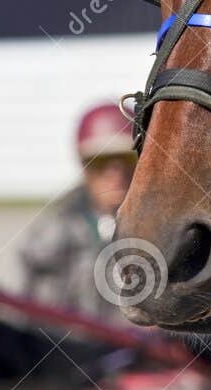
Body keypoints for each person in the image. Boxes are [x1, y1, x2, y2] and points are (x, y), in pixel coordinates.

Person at [13, 101, 138, 323]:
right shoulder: (51, 235)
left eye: (127, 160)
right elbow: (37, 322)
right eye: (100, 162)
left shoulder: (166, 229)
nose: (115, 174)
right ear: (84, 166)